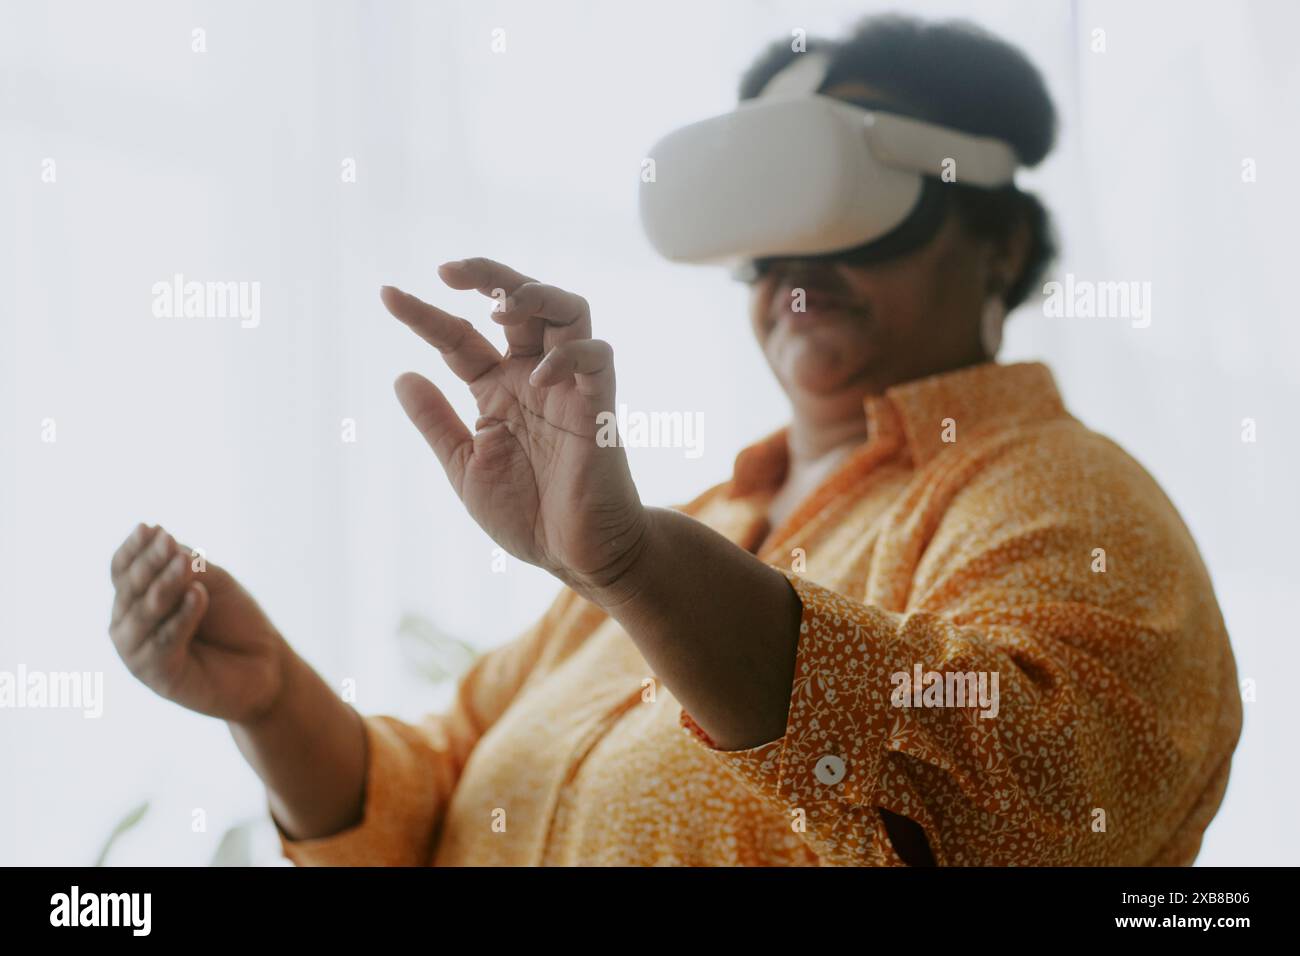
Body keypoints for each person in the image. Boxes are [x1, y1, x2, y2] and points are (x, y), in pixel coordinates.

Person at [106, 15, 1241, 866]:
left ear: (996, 245)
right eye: (763, 239)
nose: (795, 267)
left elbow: (1030, 800)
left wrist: (637, 571)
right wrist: (270, 700)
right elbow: (430, 791)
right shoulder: (693, 521)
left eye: (841, 215)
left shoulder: (1065, 496)